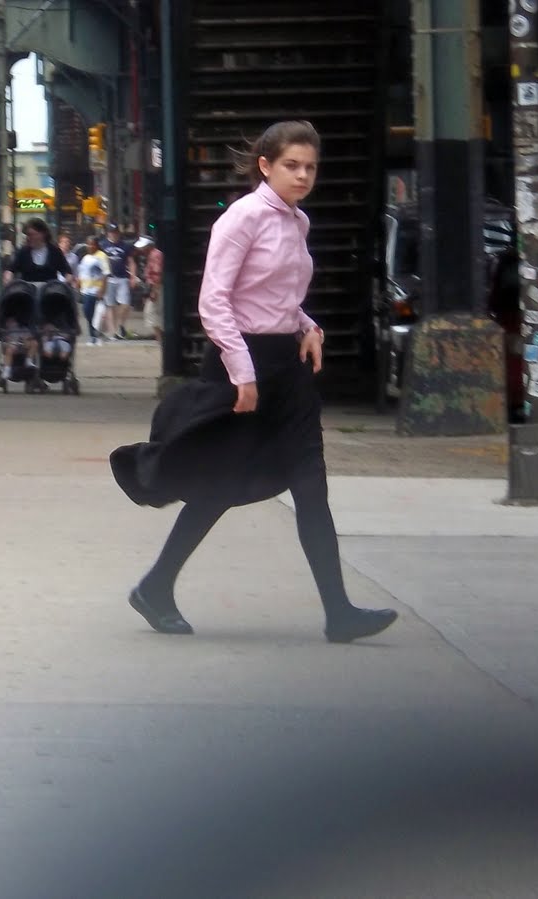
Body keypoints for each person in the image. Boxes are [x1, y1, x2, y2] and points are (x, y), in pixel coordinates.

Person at [108, 120, 398, 645]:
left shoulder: (297, 222)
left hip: (287, 370)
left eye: (310, 167)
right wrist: (243, 375)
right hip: (238, 368)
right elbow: (214, 302)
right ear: (265, 166)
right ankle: (156, 586)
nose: (303, 175)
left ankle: (339, 612)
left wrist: (308, 326)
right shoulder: (241, 219)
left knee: (312, 484)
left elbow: (278, 298)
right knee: (215, 484)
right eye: (292, 165)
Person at [5, 218, 73, 285]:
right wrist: (8, 278)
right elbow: (11, 270)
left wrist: (65, 283)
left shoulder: (54, 251)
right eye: (27, 235)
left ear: (42, 234)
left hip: (50, 292)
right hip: (28, 292)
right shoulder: (22, 252)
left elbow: (67, 272)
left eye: (31, 235)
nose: (28, 238)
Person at [100, 224, 133, 339]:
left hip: (122, 277)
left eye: (115, 232)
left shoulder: (125, 245)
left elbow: (131, 261)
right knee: (110, 305)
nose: (113, 234)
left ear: (118, 233)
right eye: (111, 232)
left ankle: (120, 324)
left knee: (126, 304)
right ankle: (113, 331)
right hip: (108, 278)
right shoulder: (102, 245)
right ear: (107, 233)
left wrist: (133, 276)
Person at [75, 236, 110, 344]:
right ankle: (93, 334)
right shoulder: (85, 257)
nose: (90, 246)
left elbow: (105, 274)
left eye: (92, 244)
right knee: (87, 313)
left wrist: (102, 290)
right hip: (85, 290)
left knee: (96, 314)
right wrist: (78, 285)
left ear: (97, 245)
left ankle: (95, 336)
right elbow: (82, 273)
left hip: (96, 290)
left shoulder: (101, 256)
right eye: (88, 244)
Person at [134, 235, 164, 344]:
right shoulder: (151, 255)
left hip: (156, 287)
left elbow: (157, 274)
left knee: (151, 312)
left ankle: (160, 339)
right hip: (153, 286)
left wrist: (154, 291)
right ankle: (159, 338)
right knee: (154, 313)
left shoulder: (155, 255)